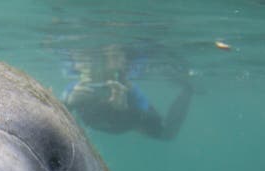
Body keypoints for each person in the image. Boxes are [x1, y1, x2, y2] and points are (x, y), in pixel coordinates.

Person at [62, 45, 193, 140]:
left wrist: (125, 111)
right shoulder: (73, 90)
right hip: (100, 124)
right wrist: (69, 103)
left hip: (122, 123)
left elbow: (153, 121)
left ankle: (188, 90)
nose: (95, 68)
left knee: (167, 134)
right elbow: (53, 123)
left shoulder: (128, 91)